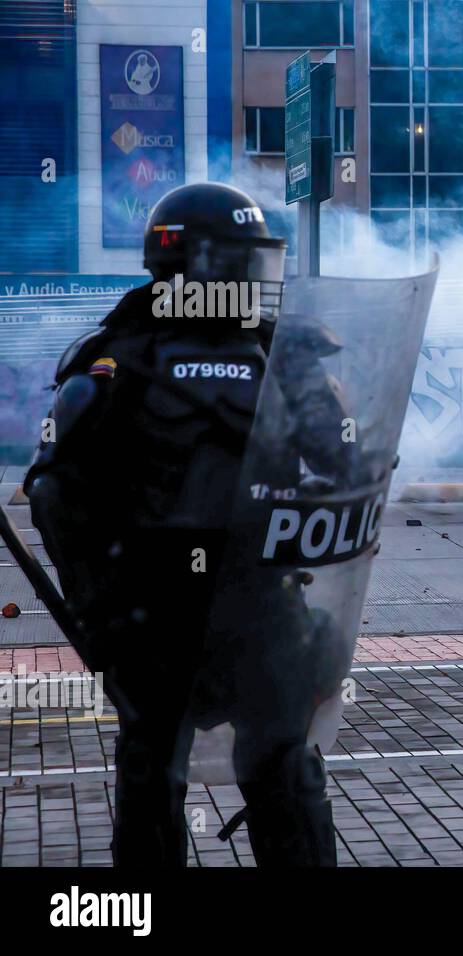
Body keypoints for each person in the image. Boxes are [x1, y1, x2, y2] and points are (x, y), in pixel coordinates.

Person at [24, 181, 345, 866]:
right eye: (242, 259)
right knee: (245, 774)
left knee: (182, 777)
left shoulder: (119, 360)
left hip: (174, 618)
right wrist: (101, 609)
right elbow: (56, 496)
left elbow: (54, 495)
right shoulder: (136, 360)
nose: (255, 277)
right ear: (205, 264)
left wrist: (100, 611)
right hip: (209, 618)